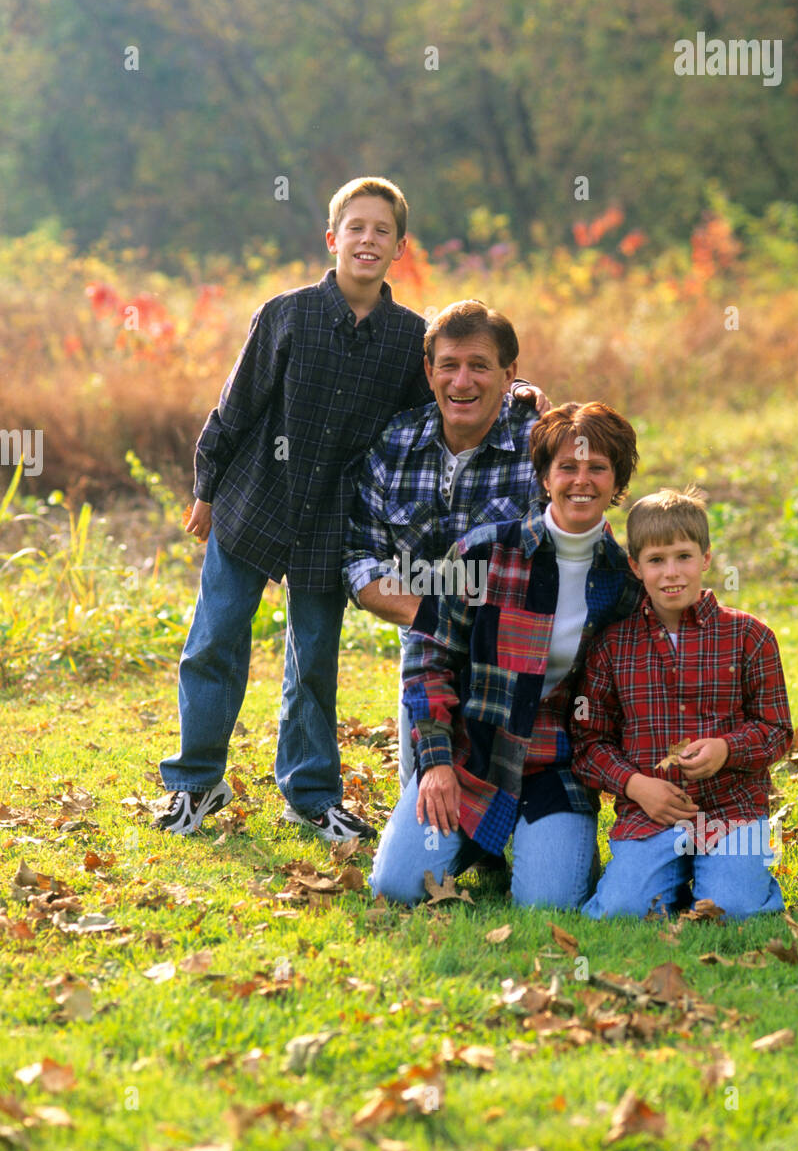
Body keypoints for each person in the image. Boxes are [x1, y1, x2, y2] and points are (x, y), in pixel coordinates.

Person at [154, 177, 540, 840]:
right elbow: (236, 405)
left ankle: (310, 795)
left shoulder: (407, 340)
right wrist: (206, 487)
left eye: (381, 230)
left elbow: (451, 392)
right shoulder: (287, 314)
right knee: (214, 641)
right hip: (254, 504)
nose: (367, 239)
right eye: (355, 228)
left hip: (332, 520)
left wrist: (522, 395)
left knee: (312, 660)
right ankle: (196, 784)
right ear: (332, 238)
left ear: (399, 248)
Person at [369, 402, 642, 908]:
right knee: (398, 888)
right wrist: (435, 764)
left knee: (548, 904)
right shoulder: (483, 552)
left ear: (616, 479)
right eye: (567, 466)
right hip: (472, 755)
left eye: (597, 467)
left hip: (556, 768)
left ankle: (552, 841)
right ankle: (475, 843)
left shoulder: (625, 583)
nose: (581, 481)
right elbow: (427, 658)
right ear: (543, 476)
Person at [343, 299, 545, 790]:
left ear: (508, 373)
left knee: (507, 794)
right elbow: (357, 555)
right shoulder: (396, 442)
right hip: (424, 642)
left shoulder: (541, 444)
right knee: (427, 815)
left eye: (480, 366)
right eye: (449, 366)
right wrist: (431, 619)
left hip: (516, 651)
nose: (462, 382)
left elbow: (556, 561)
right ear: (429, 371)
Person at [573, 486, 792, 920]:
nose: (671, 573)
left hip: (732, 810)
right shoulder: (612, 646)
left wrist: (726, 748)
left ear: (706, 559)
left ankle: (739, 876)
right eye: (656, 560)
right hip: (650, 812)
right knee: (621, 911)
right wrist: (635, 785)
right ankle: (660, 877)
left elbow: (777, 731)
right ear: (635, 567)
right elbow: (587, 741)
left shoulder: (750, 637)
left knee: (733, 910)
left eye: (683, 557)